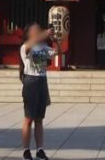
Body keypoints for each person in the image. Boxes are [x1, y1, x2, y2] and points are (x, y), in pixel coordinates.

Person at [21, 22, 59, 160]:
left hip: (42, 80)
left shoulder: (43, 47)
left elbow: (57, 53)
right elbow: (32, 43)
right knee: (28, 118)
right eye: (35, 30)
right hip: (31, 81)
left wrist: (56, 41)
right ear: (28, 34)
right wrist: (45, 33)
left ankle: (40, 149)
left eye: (39, 30)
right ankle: (26, 150)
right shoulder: (26, 46)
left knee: (39, 119)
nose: (38, 32)